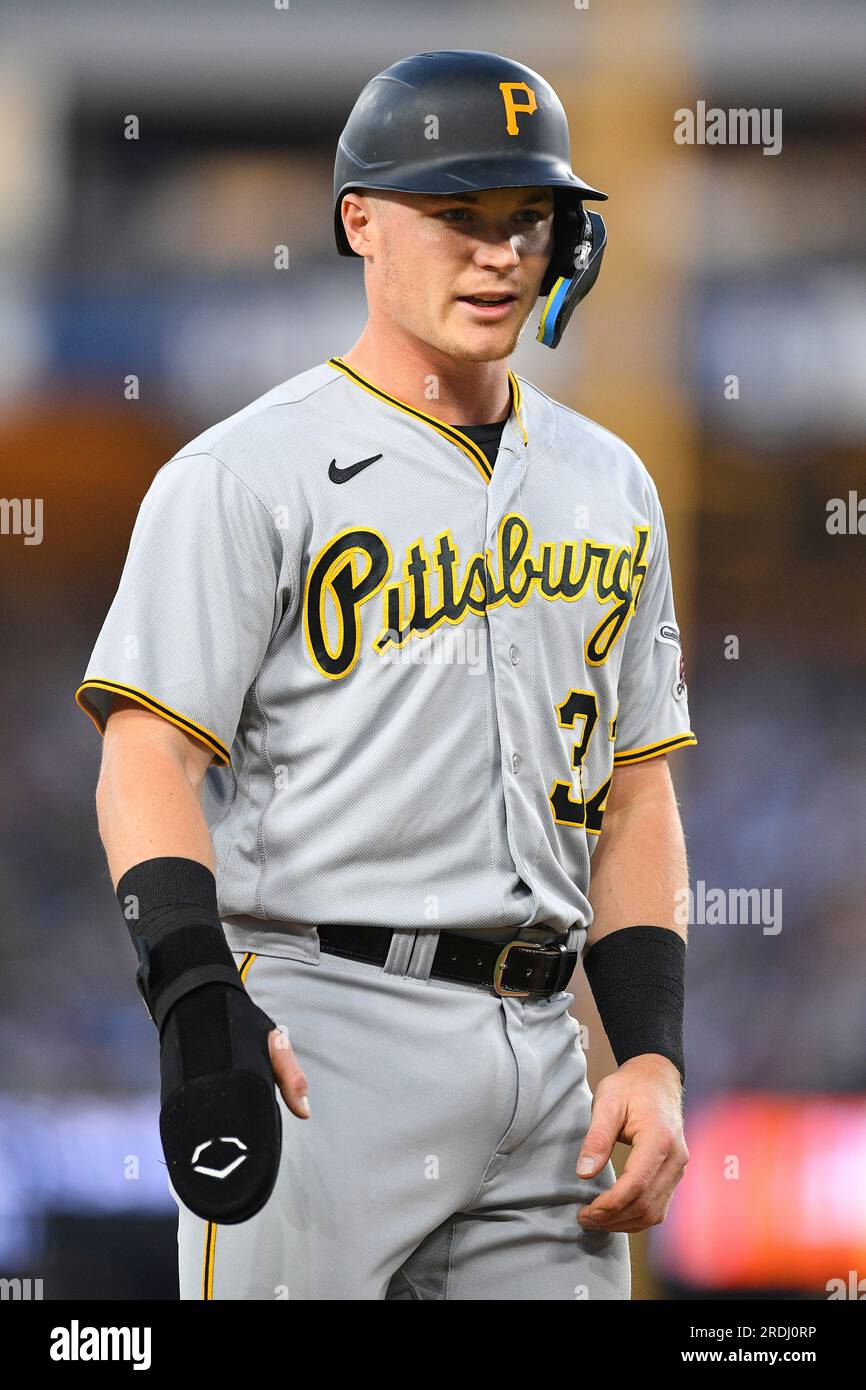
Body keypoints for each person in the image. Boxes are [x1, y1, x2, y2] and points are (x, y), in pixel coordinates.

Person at [77, 50, 695, 1301]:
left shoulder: (611, 482)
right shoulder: (245, 471)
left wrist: (651, 1052)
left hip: (546, 1046)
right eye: (456, 215)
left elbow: (636, 795)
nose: (499, 253)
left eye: (527, 218)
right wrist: (196, 997)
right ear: (360, 220)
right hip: (326, 1023)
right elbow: (146, 758)